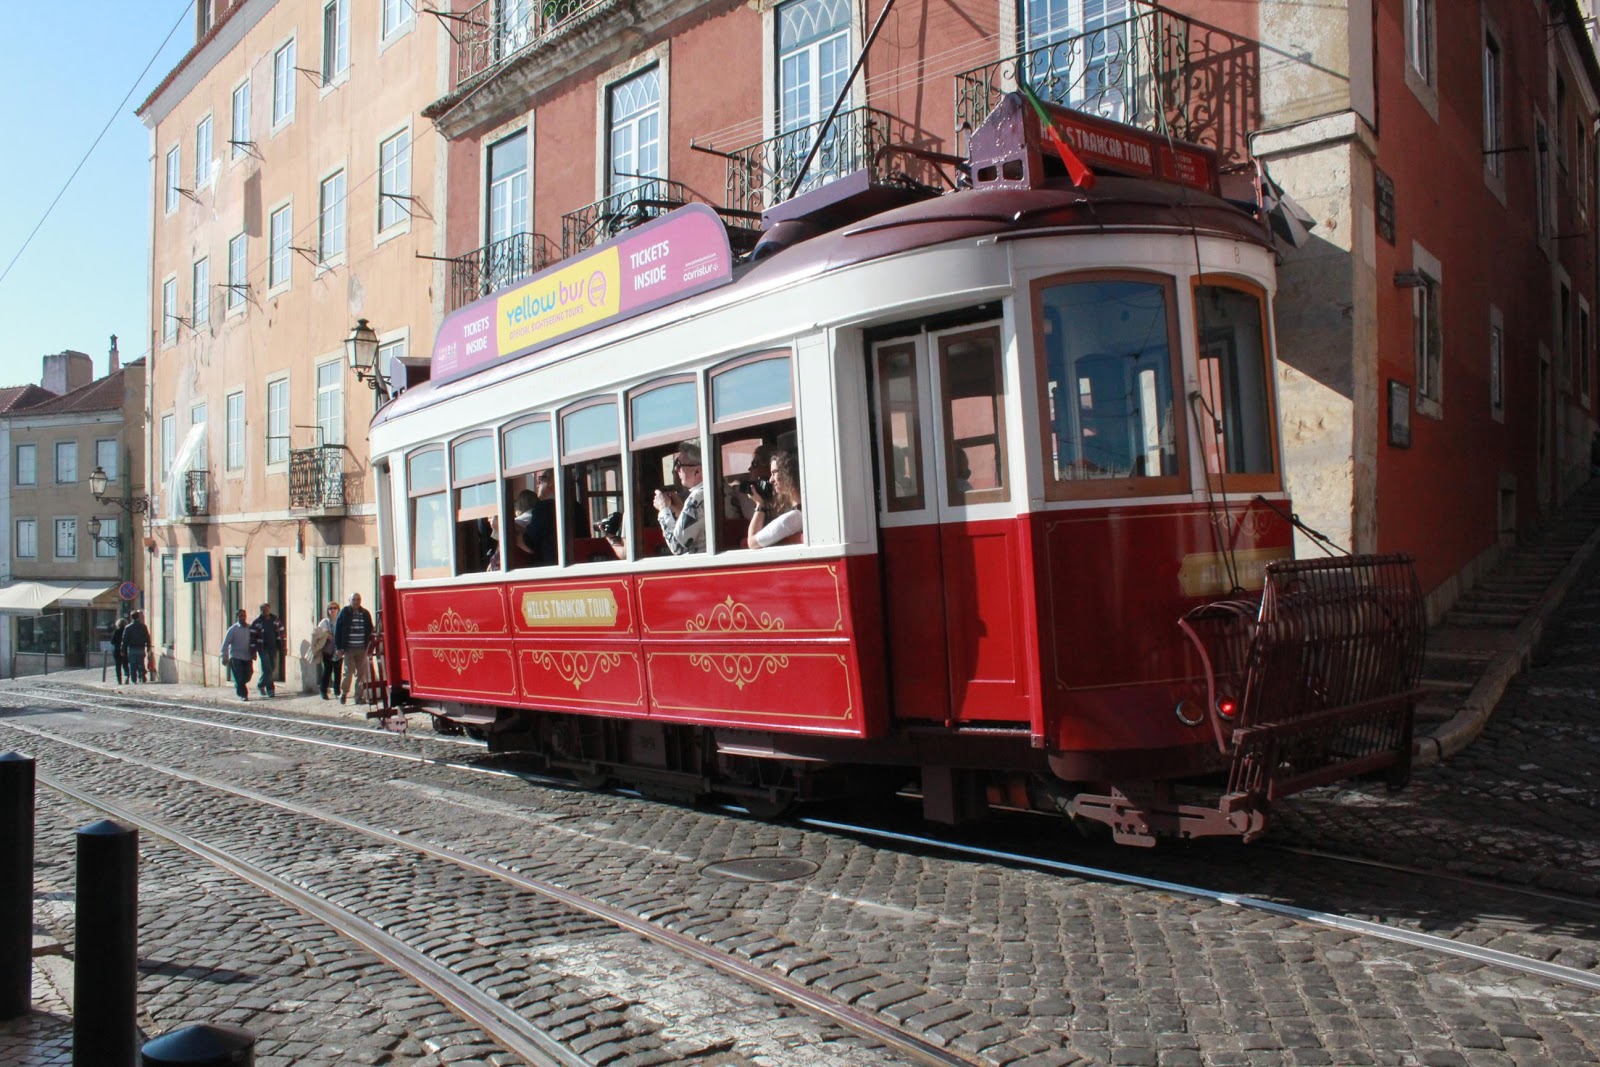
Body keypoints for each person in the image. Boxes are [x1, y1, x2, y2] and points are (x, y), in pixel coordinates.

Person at [656, 441, 706, 555]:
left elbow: (677, 546)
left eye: (679, 465)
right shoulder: (720, 490)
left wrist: (664, 509)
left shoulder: (697, 497)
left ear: (697, 471)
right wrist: (680, 510)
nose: (676, 469)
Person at [747, 449, 803, 549]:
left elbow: (752, 542)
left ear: (787, 473)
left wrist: (759, 504)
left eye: (774, 473)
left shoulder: (792, 518)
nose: (770, 479)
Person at [335, 592, 376, 706]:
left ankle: (358, 697)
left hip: (361, 648)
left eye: (358, 599)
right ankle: (344, 693)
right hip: (349, 648)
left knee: (361, 674)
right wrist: (339, 647)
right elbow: (338, 630)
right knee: (348, 672)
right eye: (354, 600)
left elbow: (370, 629)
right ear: (350, 600)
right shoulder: (344, 612)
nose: (356, 602)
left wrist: (369, 644)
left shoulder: (365, 613)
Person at [520, 472, 558, 565]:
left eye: (541, 480)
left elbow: (530, 541)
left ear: (551, 482)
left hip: (549, 565)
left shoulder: (544, 508)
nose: (537, 486)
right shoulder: (575, 505)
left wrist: (516, 534)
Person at [251, 602, 285, 697]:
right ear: (261, 611)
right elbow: (252, 637)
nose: (265, 612)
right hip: (262, 648)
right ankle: (270, 689)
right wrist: (253, 651)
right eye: (263, 610)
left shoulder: (275, 620)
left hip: (273, 647)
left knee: (272, 667)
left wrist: (283, 646)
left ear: (269, 610)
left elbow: (282, 633)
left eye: (267, 610)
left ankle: (261, 684)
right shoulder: (257, 622)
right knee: (268, 669)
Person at [220, 609, 255, 700]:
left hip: (247, 656)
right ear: (237, 617)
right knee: (239, 676)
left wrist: (254, 652)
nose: (242, 617)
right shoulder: (233, 629)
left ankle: (238, 685)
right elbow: (226, 643)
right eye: (240, 616)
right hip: (236, 656)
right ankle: (243, 694)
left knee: (248, 674)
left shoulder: (250, 628)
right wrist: (224, 656)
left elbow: (254, 641)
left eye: (244, 615)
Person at [311, 601, 341, 699]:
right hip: (327, 650)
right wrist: (327, 635)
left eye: (334, 608)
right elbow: (317, 632)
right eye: (330, 608)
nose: (332, 610)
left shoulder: (340, 620)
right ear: (328, 611)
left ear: (338, 609)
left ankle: (337, 691)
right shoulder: (325, 622)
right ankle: (323, 691)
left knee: (338, 671)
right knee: (327, 670)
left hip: (338, 649)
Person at [122, 611, 151, 683]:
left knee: (132, 665)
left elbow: (124, 640)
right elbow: (147, 637)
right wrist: (148, 647)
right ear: (138, 617)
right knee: (141, 663)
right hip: (141, 648)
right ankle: (142, 676)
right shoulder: (143, 626)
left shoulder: (128, 628)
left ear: (131, 617)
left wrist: (123, 650)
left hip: (132, 648)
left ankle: (134, 680)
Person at [111, 616, 129, 685]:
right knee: (125, 664)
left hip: (117, 650)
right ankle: (127, 675)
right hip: (125, 650)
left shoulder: (116, 631)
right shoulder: (126, 631)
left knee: (118, 666)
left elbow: (112, 641)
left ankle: (119, 680)